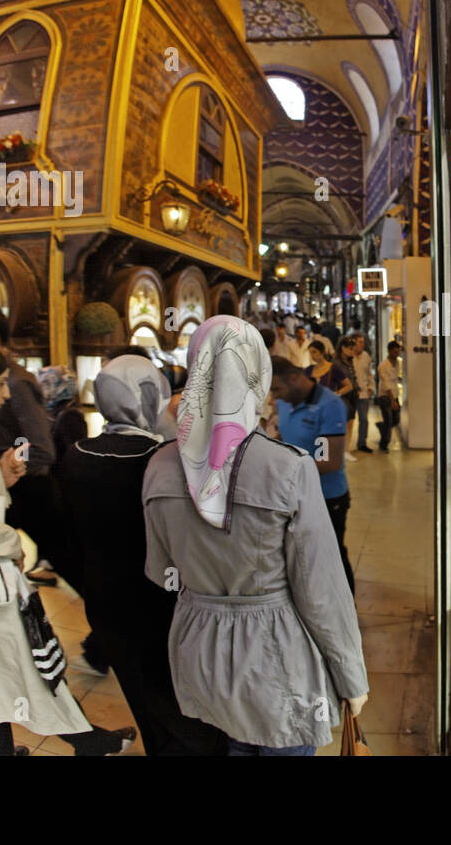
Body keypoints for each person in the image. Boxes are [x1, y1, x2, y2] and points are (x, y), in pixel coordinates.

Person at [143, 317, 368, 755]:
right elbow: (320, 589)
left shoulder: (159, 467)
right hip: (273, 653)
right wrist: (351, 677)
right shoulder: (288, 467)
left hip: (198, 649)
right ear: (258, 375)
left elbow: (161, 571)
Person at [0, 334, 135, 755]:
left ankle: (16, 747)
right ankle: (82, 741)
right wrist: (7, 539)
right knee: (17, 666)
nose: (3, 393)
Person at [63, 356, 226, 755]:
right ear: (149, 395)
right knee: (179, 706)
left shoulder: (77, 454)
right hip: (160, 604)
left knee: (141, 695)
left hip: (105, 601)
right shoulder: (162, 459)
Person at [0, 306, 68, 590]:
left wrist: (9, 462)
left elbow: (41, 446)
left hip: (27, 487)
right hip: (8, 485)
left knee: (70, 564)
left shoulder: (16, 382)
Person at [268, 355, 355, 592]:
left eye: (277, 389)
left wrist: (284, 469)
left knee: (332, 554)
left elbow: (329, 461)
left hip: (327, 497)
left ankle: (346, 609)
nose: (274, 396)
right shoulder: (285, 402)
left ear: (295, 379)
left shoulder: (329, 406)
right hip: (294, 494)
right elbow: (286, 440)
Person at [37, 366, 85, 478]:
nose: (42, 388)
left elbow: (75, 454)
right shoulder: (51, 411)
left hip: (62, 478)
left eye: (46, 383)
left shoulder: (70, 415)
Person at [333, 338, 361, 459]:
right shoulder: (336, 363)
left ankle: (346, 449)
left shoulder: (350, 361)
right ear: (343, 348)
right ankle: (340, 450)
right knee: (343, 422)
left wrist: (357, 387)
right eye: (350, 349)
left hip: (352, 394)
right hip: (341, 394)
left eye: (353, 349)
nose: (352, 351)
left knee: (350, 422)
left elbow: (353, 377)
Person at [377, 340, 403, 453]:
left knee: (396, 420)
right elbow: (386, 384)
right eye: (395, 352)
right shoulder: (383, 366)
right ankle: (384, 444)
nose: (397, 354)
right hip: (385, 395)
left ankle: (381, 426)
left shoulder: (397, 362)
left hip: (395, 394)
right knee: (389, 420)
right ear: (389, 351)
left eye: (398, 352)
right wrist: (392, 400)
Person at [351, 334, 375, 453]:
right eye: (360, 342)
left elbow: (369, 373)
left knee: (364, 419)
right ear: (354, 343)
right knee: (348, 420)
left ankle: (362, 443)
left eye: (363, 342)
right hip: (350, 394)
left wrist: (371, 387)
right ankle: (344, 445)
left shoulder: (366, 356)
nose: (362, 344)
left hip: (364, 393)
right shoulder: (348, 356)